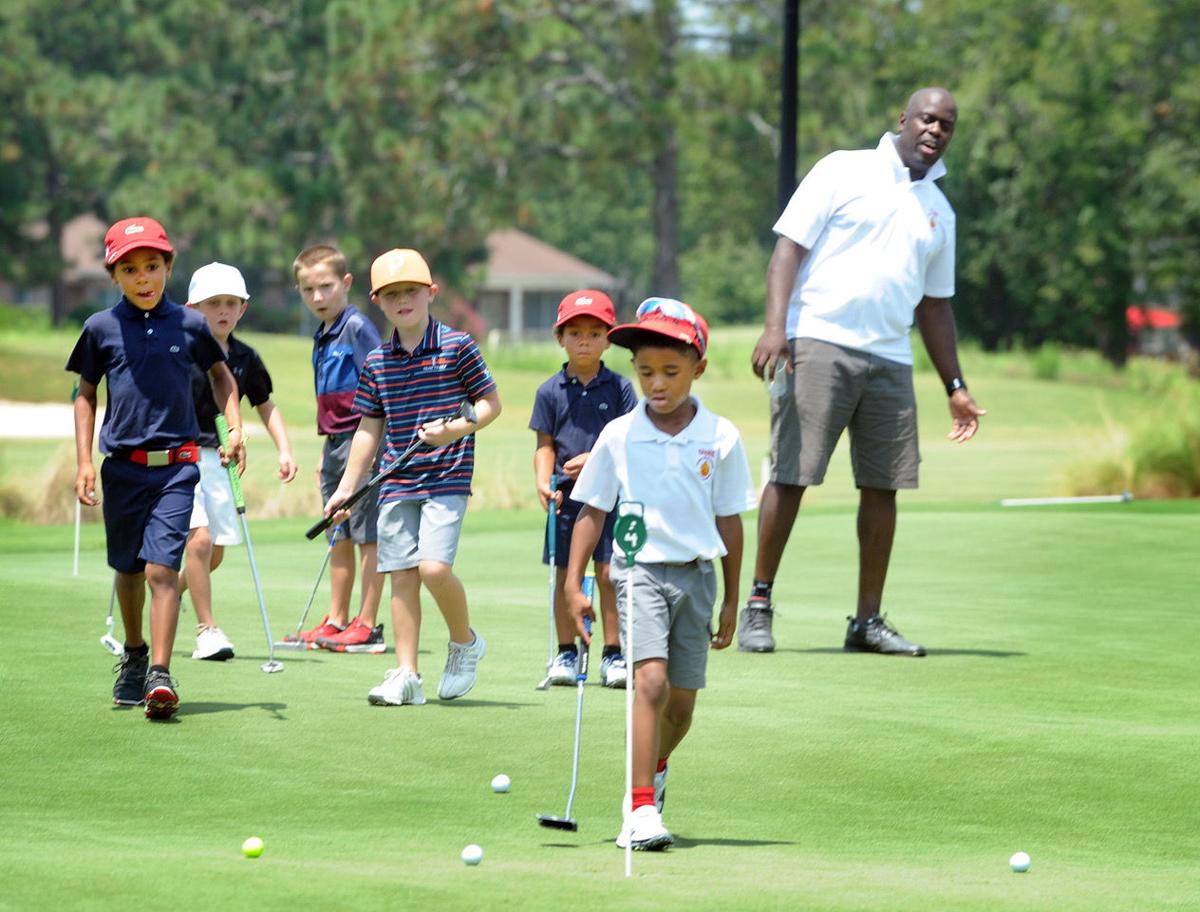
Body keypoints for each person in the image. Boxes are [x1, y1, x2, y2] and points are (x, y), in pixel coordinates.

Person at [740, 87, 987, 656]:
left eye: (947, 124)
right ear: (903, 119)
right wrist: (776, 329)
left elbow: (935, 305)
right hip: (819, 340)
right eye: (927, 118)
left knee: (884, 486)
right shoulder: (843, 170)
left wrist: (955, 385)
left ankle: (867, 621)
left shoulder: (939, 212)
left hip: (891, 358)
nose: (935, 130)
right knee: (791, 474)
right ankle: (758, 604)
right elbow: (788, 251)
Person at [565, 298, 756, 850]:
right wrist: (573, 583)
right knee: (647, 682)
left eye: (671, 372)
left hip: (698, 576)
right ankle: (641, 806)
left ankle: (655, 764)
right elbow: (593, 509)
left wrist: (730, 600)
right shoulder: (620, 434)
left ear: (698, 367)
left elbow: (730, 520)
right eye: (646, 372)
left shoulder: (720, 437)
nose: (657, 383)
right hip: (638, 571)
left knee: (681, 704)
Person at [67, 217, 245, 720]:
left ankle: (161, 674)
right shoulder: (99, 328)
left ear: (168, 267)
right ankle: (135, 652)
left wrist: (234, 428)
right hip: (122, 468)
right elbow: (84, 395)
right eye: (131, 269)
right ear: (114, 275)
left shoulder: (189, 324)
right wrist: (84, 460)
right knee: (128, 570)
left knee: (162, 569)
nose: (143, 278)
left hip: (177, 468)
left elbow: (222, 377)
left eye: (152, 266)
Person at [324, 248, 502, 705]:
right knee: (401, 574)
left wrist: (456, 430)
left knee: (433, 568)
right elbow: (368, 429)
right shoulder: (378, 363)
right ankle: (407, 674)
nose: (403, 300)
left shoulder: (458, 346)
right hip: (397, 481)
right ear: (378, 301)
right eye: (392, 294)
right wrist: (347, 489)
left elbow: (489, 405)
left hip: (447, 476)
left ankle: (464, 643)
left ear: (431, 293)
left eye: (411, 291)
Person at [179, 262, 299, 660]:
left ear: (243, 309)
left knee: (215, 552)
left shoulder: (246, 357)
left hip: (221, 460)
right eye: (213, 303)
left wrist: (284, 448)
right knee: (199, 541)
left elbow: (266, 406)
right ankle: (206, 630)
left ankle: (169, 584)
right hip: (181, 458)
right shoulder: (179, 352)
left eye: (231, 303)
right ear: (193, 307)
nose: (223, 311)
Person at [530, 290, 637, 688]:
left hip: (612, 496)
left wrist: (596, 459)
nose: (585, 341)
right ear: (560, 337)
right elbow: (545, 446)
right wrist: (543, 480)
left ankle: (613, 654)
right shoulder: (549, 391)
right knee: (564, 577)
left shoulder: (622, 389)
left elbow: (630, 441)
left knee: (609, 574)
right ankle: (564, 652)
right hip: (565, 497)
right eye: (575, 333)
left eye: (594, 333)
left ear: (608, 338)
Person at [286, 244, 387, 653]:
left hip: (363, 444)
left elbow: (379, 387)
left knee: (366, 535)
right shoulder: (322, 335)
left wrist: (369, 454)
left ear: (345, 283)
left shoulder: (357, 328)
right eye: (308, 289)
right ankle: (337, 618)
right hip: (334, 446)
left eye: (326, 287)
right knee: (338, 533)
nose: (318, 297)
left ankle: (366, 622)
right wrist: (325, 457)